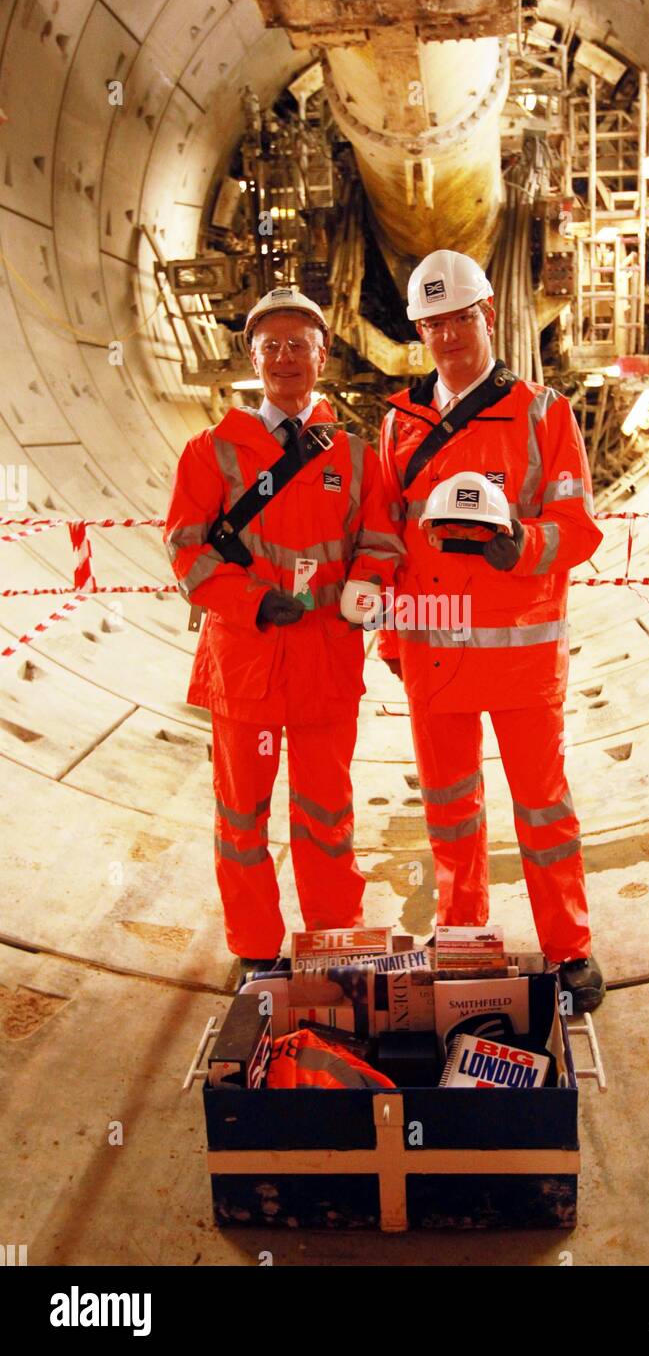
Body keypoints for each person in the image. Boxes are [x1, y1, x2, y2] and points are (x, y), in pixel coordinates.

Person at [376, 250, 606, 1011]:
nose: (448, 336)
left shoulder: (543, 414)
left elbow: (577, 526)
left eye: (460, 319)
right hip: (433, 653)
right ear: (419, 329)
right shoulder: (399, 423)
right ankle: (465, 938)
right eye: (433, 323)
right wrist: (389, 641)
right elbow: (387, 541)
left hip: (520, 654)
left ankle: (570, 948)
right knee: (449, 810)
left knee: (542, 806)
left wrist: (525, 546)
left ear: (489, 318)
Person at [165, 286, 403, 976]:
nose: (285, 358)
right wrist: (251, 602)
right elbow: (186, 548)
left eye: (299, 343)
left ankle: (334, 940)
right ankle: (256, 952)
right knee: (241, 820)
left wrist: (366, 589)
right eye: (271, 346)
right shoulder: (212, 452)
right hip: (246, 665)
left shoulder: (354, 458)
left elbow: (382, 543)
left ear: (323, 355)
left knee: (327, 816)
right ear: (252, 359)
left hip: (325, 664)